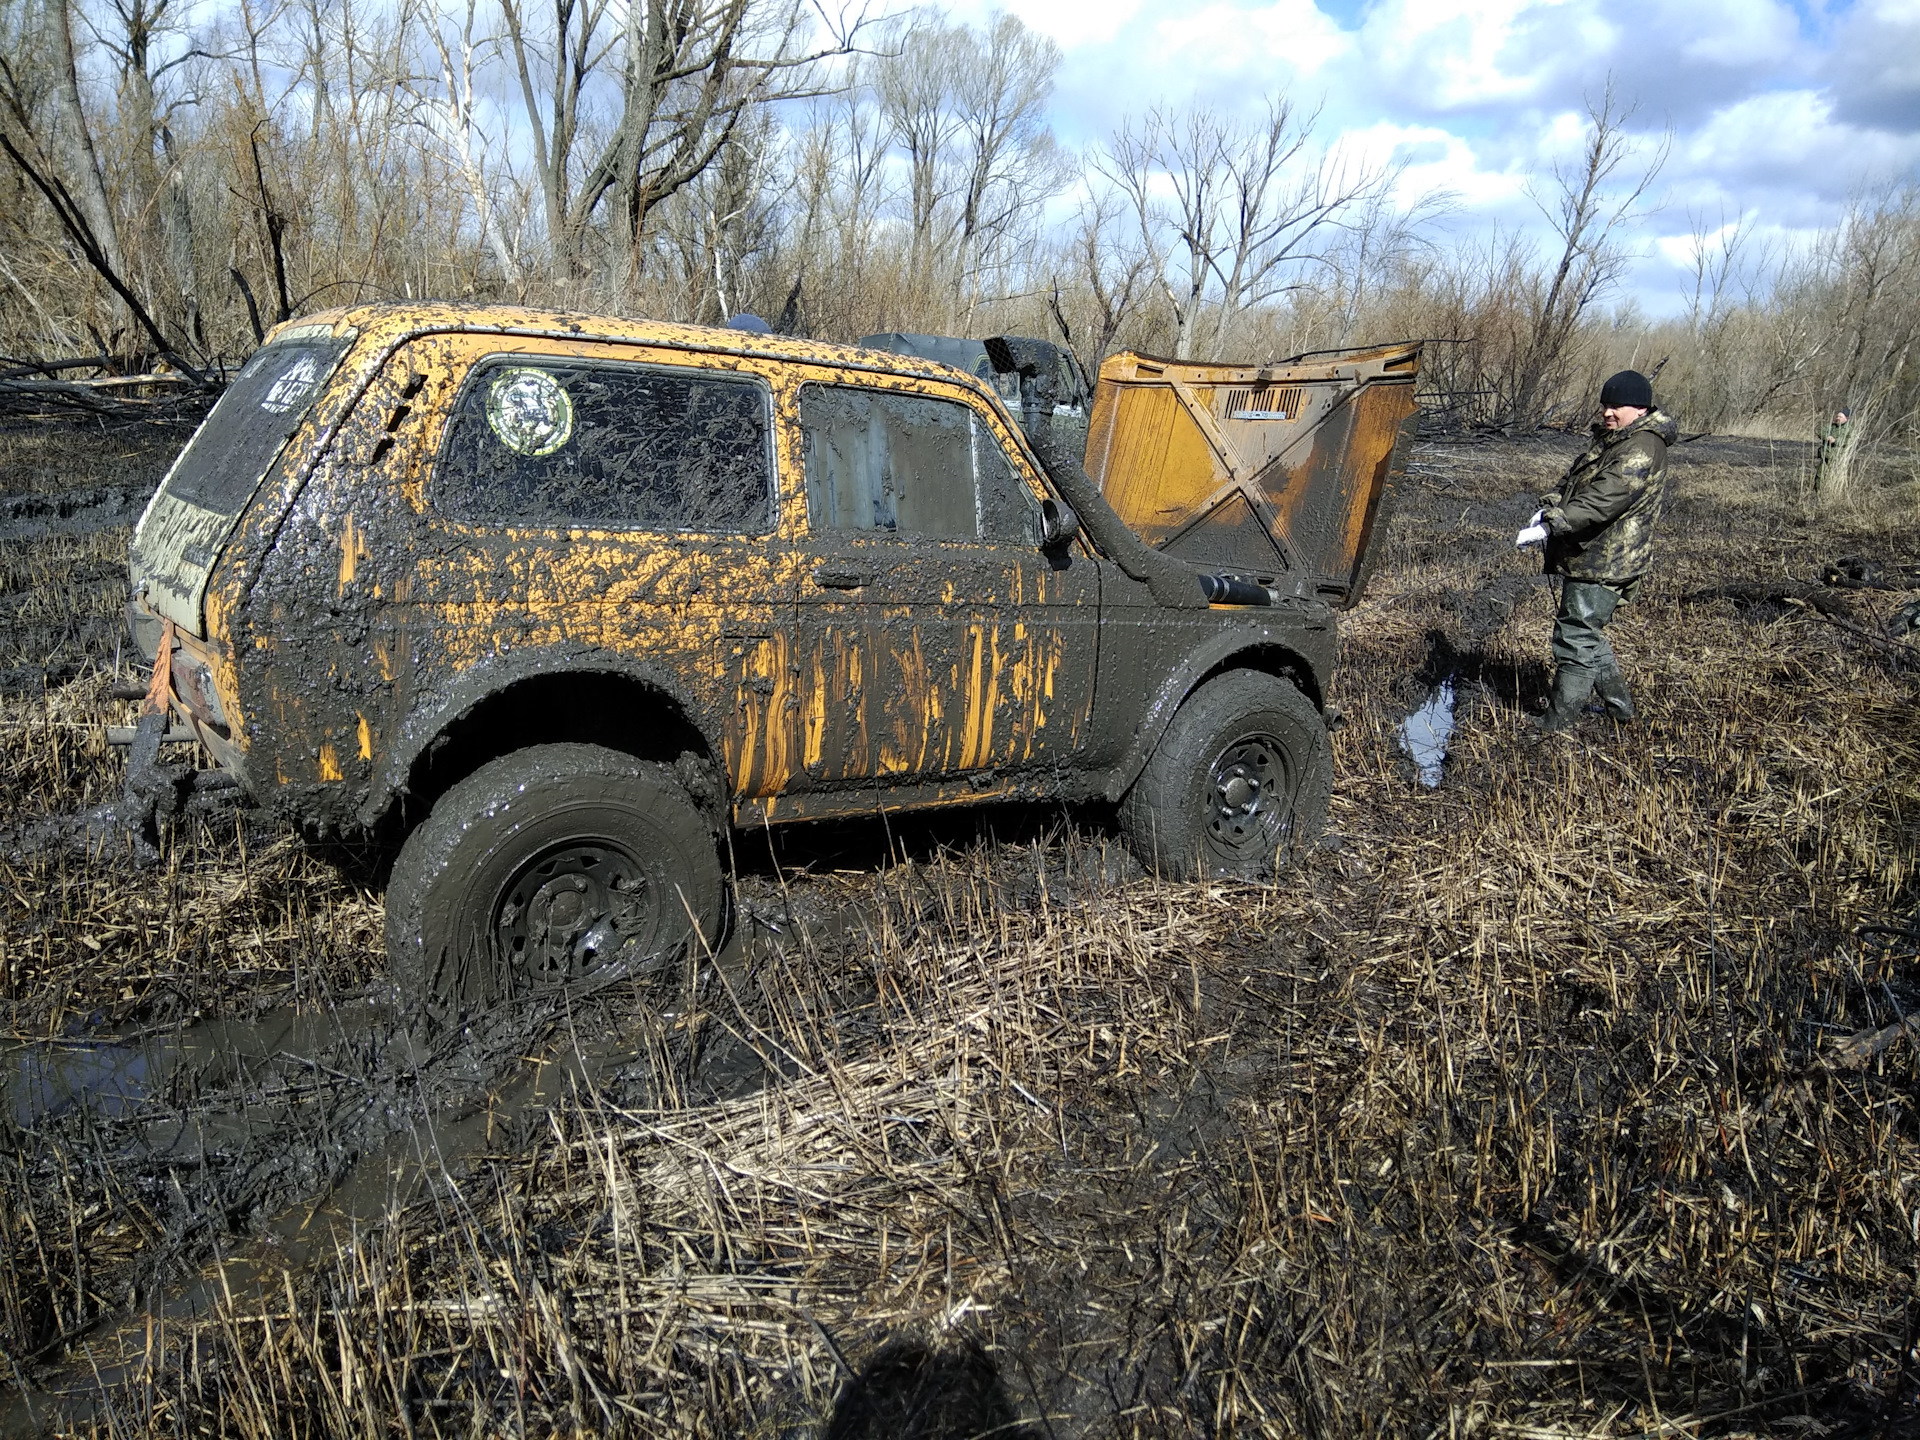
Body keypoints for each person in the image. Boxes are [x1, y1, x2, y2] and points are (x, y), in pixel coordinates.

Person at [1515, 369, 1677, 732]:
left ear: (1640, 407)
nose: (1607, 412)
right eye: (1605, 405)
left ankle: (1556, 724)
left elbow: (1603, 500)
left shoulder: (1641, 447)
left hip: (1605, 560)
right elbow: (1579, 486)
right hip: (1594, 554)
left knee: (1575, 638)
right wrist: (1550, 507)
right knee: (1587, 632)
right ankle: (1622, 711)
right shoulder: (1616, 440)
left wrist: (1552, 525)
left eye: (1616, 406)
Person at [1814, 406, 1850, 492]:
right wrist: (1826, 437)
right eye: (1837, 416)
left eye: (1840, 417)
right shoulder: (1831, 426)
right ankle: (1818, 493)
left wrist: (1836, 441)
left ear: (1846, 419)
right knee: (1819, 476)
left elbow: (1850, 441)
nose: (1837, 418)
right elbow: (1818, 430)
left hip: (1838, 460)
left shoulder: (1849, 429)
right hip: (1826, 457)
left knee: (1833, 478)